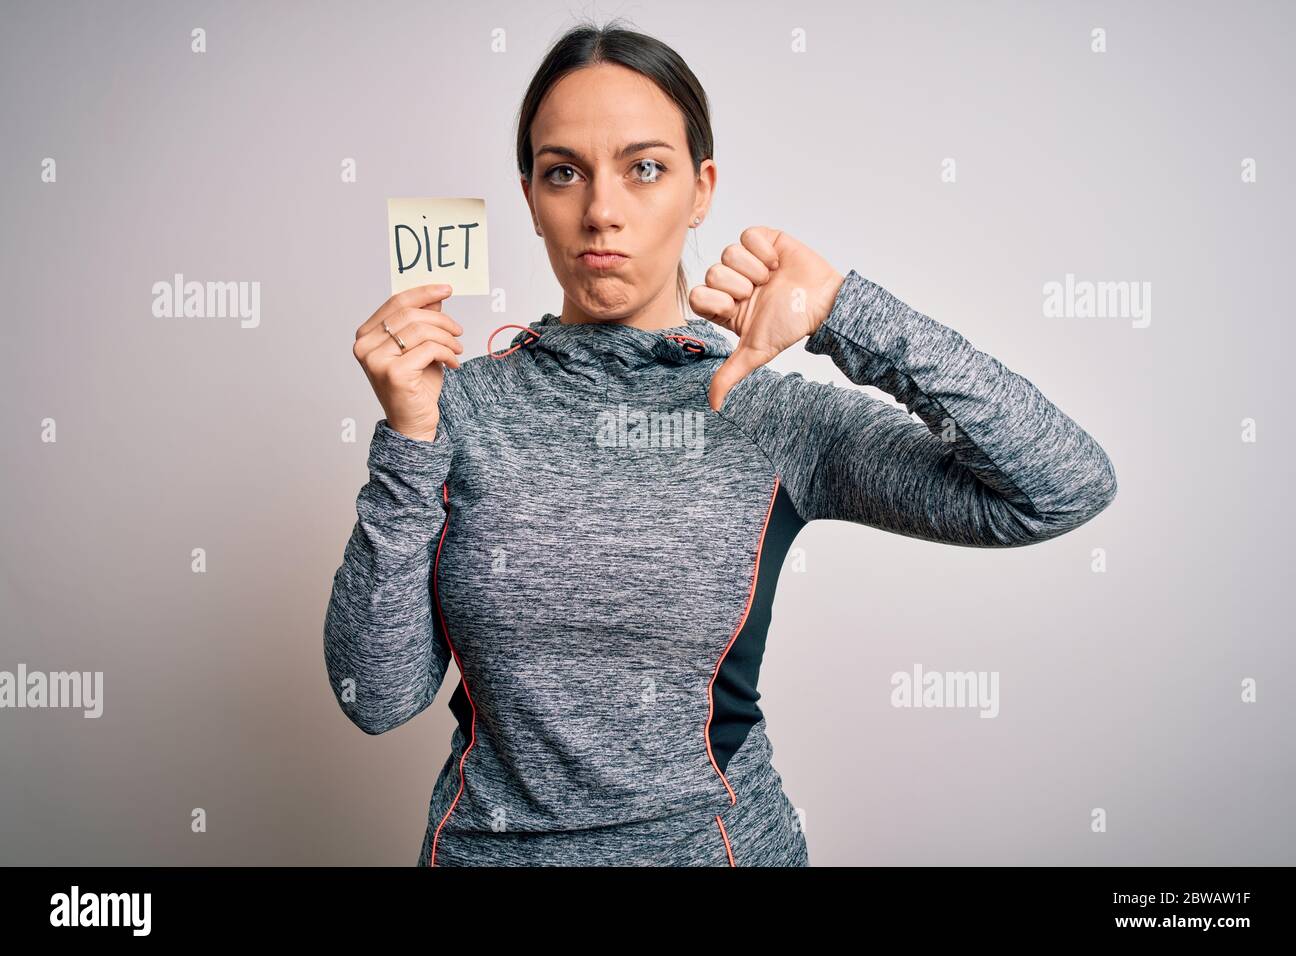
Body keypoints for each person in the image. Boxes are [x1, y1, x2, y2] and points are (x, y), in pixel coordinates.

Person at [323, 22, 1118, 867]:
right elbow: (374, 696)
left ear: (700, 190)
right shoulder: (456, 406)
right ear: (529, 198)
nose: (601, 210)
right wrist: (407, 439)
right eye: (565, 173)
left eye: (645, 168)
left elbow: (1060, 486)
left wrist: (847, 313)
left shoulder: (767, 416)